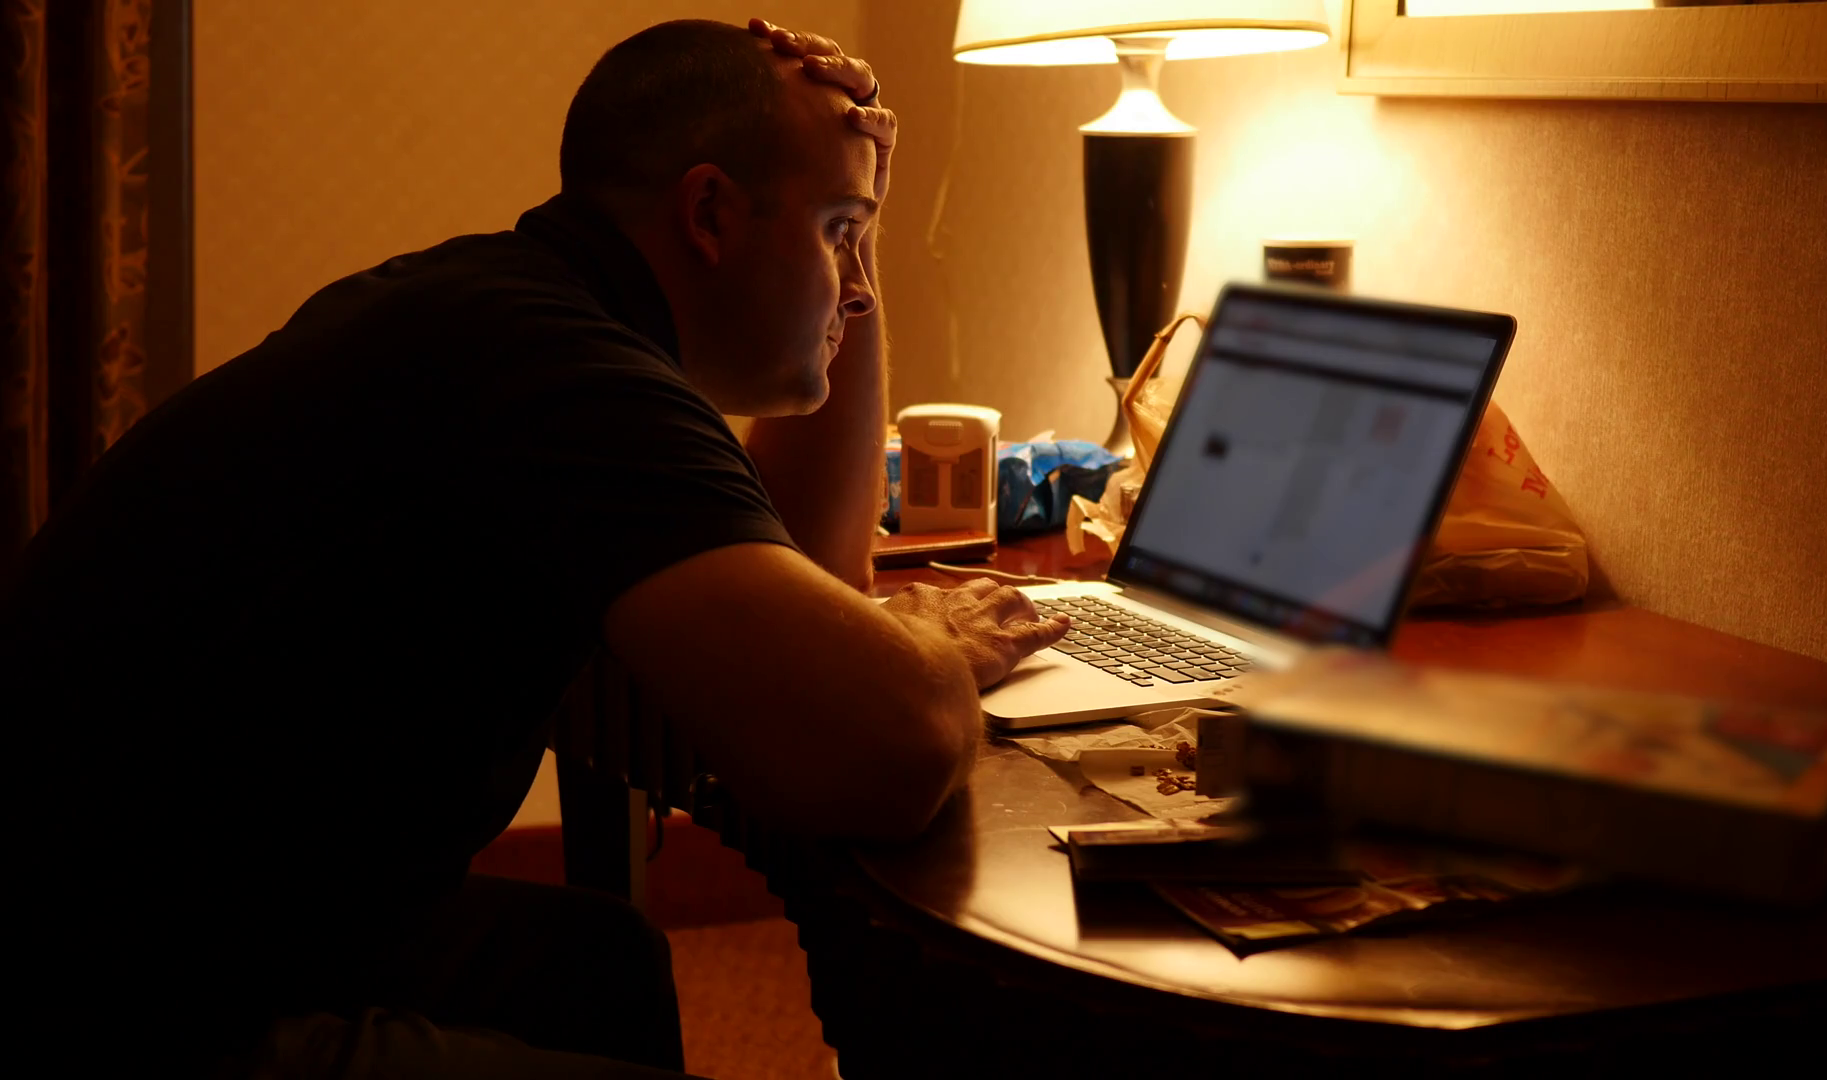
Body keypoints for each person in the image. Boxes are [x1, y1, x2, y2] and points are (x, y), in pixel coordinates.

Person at [2, 17, 1068, 1078]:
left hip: (146, 919)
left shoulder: (504, 311)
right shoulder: (566, 379)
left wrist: (860, 203)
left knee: (594, 966)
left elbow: (812, 571)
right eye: (838, 230)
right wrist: (932, 643)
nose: (860, 286)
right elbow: (888, 754)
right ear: (707, 213)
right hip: (119, 1010)